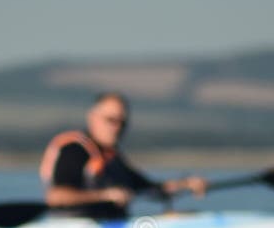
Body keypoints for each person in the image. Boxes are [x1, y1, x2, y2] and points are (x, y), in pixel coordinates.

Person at [39, 92, 208, 217]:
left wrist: (186, 184)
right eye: (111, 120)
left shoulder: (112, 157)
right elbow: (56, 196)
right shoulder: (74, 149)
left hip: (111, 226)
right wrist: (105, 195)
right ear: (92, 118)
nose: (117, 127)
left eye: (122, 122)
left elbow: (148, 188)